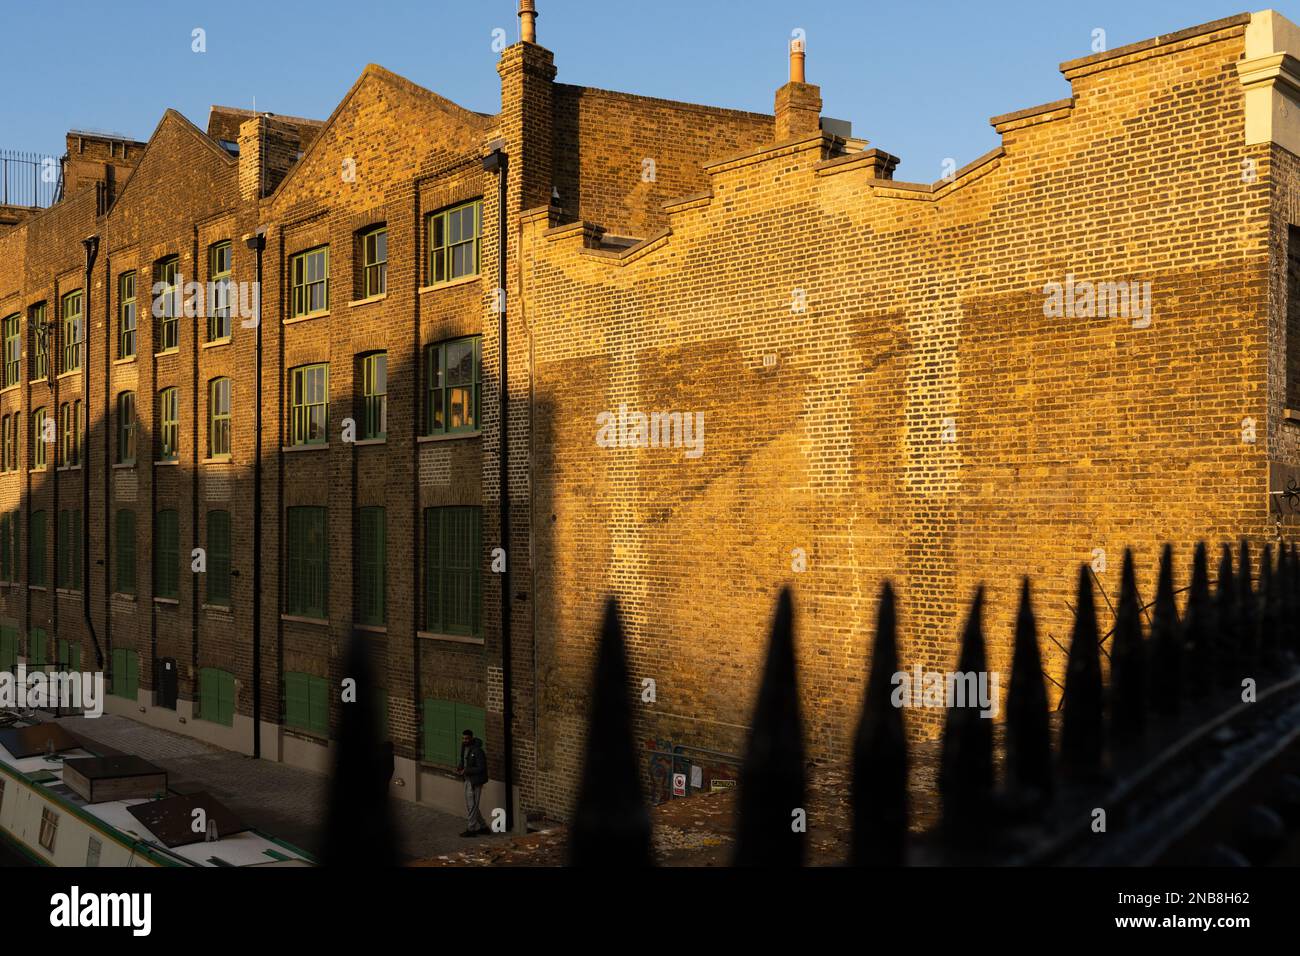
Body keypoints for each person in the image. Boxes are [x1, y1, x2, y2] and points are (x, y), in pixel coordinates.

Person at [456, 729, 489, 836]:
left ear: (471, 738)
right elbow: (463, 760)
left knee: (472, 805)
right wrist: (460, 767)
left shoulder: (478, 751)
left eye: (466, 738)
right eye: (463, 738)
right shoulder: (464, 747)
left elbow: (481, 768)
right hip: (467, 779)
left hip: (475, 781)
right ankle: (484, 827)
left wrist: (466, 770)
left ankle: (471, 829)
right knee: (472, 805)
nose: (464, 740)